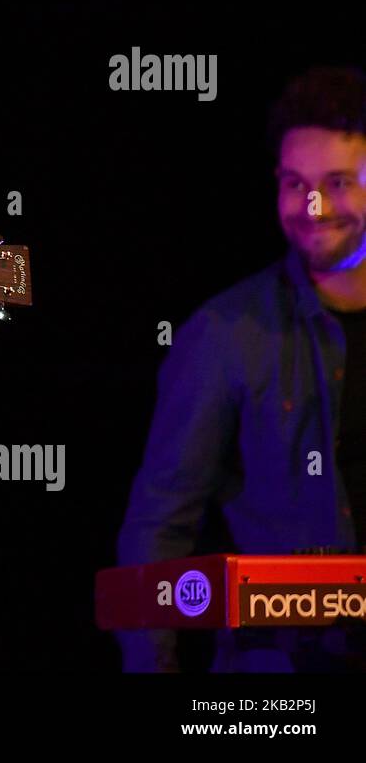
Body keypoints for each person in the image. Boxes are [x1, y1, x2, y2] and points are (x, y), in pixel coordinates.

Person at [116, 66, 366, 673]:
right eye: (293, 182)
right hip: (288, 672)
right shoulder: (224, 333)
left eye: (338, 182)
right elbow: (158, 528)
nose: (312, 206)